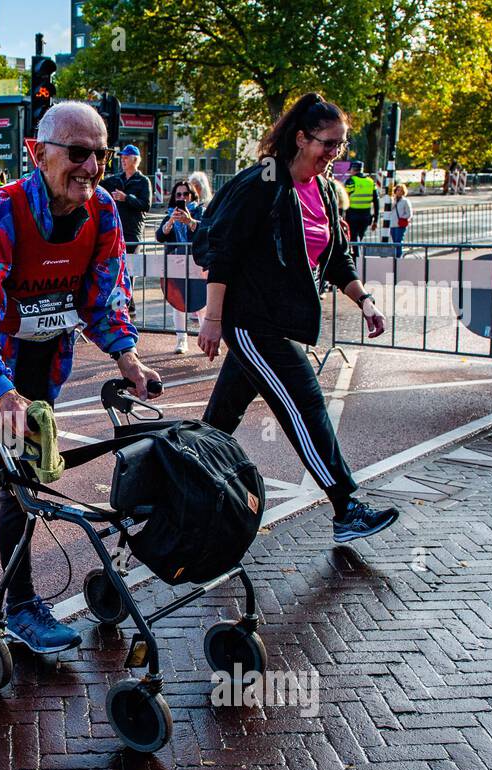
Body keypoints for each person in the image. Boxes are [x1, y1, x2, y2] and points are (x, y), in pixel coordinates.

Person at [0, 101, 159, 653]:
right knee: (27, 480)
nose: (91, 167)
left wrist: (127, 358)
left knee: (21, 472)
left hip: (46, 362)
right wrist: (1, 393)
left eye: (100, 155)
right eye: (78, 153)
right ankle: (21, 607)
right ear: (38, 153)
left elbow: (103, 300)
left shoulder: (103, 213)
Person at [196, 92, 399, 544]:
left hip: (281, 321)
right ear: (302, 138)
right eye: (328, 144)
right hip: (252, 322)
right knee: (305, 404)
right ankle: (346, 506)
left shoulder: (324, 190)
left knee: (219, 422)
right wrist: (213, 319)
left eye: (341, 146)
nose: (335, 154)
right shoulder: (265, 180)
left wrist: (364, 300)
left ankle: (181, 487)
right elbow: (225, 252)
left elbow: (336, 258)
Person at [155, 178, 204, 353]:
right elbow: (159, 236)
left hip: (197, 262)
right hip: (176, 263)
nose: (182, 197)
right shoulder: (170, 214)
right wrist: (170, 223)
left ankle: (205, 340)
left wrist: (190, 221)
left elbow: (205, 230)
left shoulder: (199, 211)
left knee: (201, 302)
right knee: (178, 302)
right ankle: (181, 341)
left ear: (192, 195)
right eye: (178, 194)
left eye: (185, 194)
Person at [100, 144, 151, 250]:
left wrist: (126, 198)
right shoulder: (115, 179)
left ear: (135, 160)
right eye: (122, 158)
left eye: (126, 158)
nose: (123, 160)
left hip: (132, 233)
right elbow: (98, 185)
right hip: (115, 230)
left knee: (132, 264)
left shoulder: (143, 181)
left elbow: (146, 205)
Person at [344, 160, 378, 242]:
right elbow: (376, 201)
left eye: (350, 170)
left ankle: (356, 254)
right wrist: (376, 219)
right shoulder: (370, 182)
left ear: (353, 169)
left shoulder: (351, 181)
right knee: (360, 237)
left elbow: (344, 199)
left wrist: (340, 214)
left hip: (352, 215)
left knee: (353, 238)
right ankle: (358, 253)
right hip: (366, 216)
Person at [388, 182, 412, 258]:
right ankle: (395, 256)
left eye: (401, 190)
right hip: (393, 224)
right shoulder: (393, 200)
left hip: (400, 224)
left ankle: (398, 257)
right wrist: (393, 202)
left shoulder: (405, 201)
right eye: (397, 190)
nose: (399, 192)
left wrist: (402, 218)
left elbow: (409, 213)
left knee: (398, 241)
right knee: (394, 241)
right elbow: (389, 210)